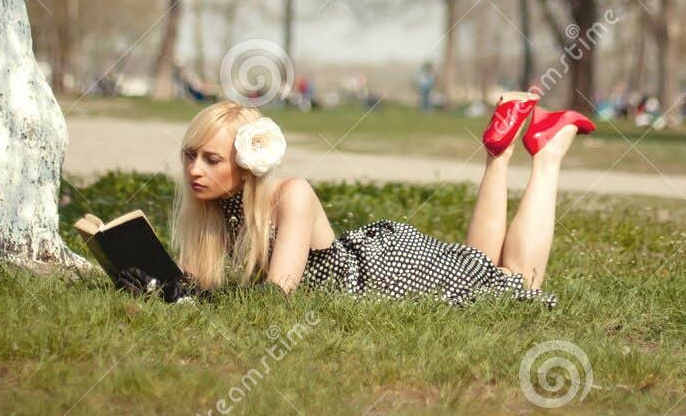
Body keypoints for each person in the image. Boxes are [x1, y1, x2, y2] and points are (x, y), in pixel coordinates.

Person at [136, 96, 592, 308]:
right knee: (480, 262)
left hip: (386, 275)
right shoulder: (214, 206)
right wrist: (154, 284)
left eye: (211, 159)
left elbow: (275, 297)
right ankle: (500, 150)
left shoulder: (291, 195)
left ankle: (549, 152)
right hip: (376, 263)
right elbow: (193, 285)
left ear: (247, 162)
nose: (195, 169)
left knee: (516, 287)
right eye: (190, 156)